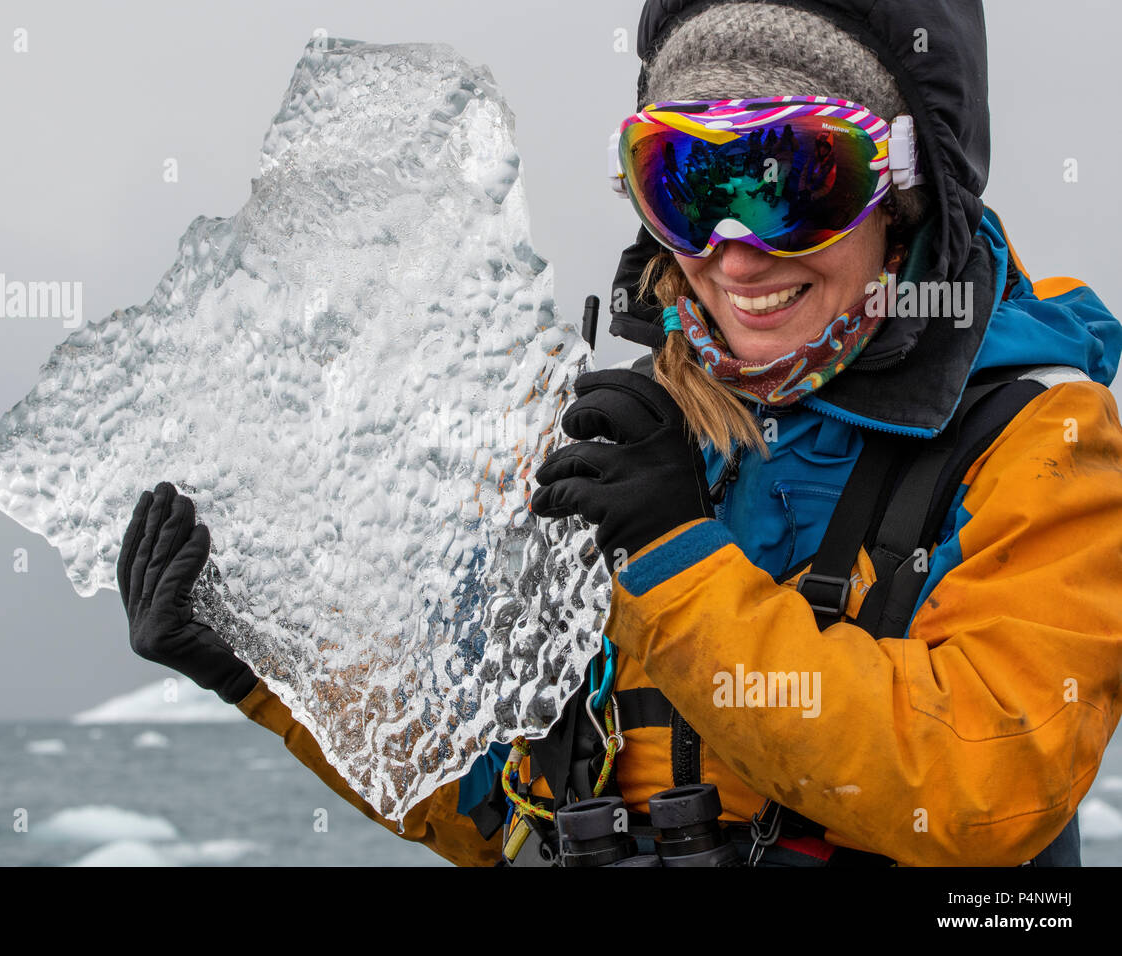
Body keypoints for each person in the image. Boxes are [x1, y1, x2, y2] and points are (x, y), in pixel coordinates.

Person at [119, 0, 1122, 867]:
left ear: (898, 193)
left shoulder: (1039, 436)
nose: (733, 252)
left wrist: (674, 563)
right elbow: (500, 806)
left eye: (795, 180)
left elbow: (983, 782)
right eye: (687, 180)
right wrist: (260, 669)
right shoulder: (620, 445)